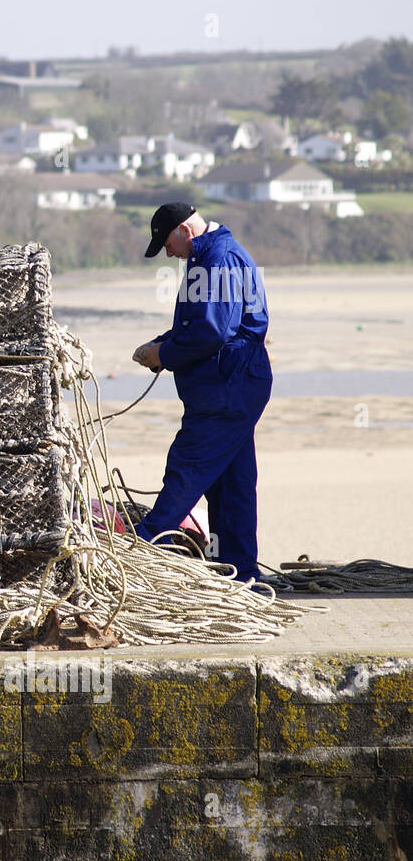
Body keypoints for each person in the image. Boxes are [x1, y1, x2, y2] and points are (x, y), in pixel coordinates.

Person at [130, 202, 273, 582]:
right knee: (231, 483)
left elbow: (213, 332)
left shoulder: (219, 260)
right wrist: (161, 345)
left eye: (167, 242)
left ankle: (141, 549)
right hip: (232, 385)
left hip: (228, 388)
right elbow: (199, 325)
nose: (167, 252)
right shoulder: (208, 259)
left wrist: (165, 353)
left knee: (188, 467)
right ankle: (240, 573)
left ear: (184, 229)